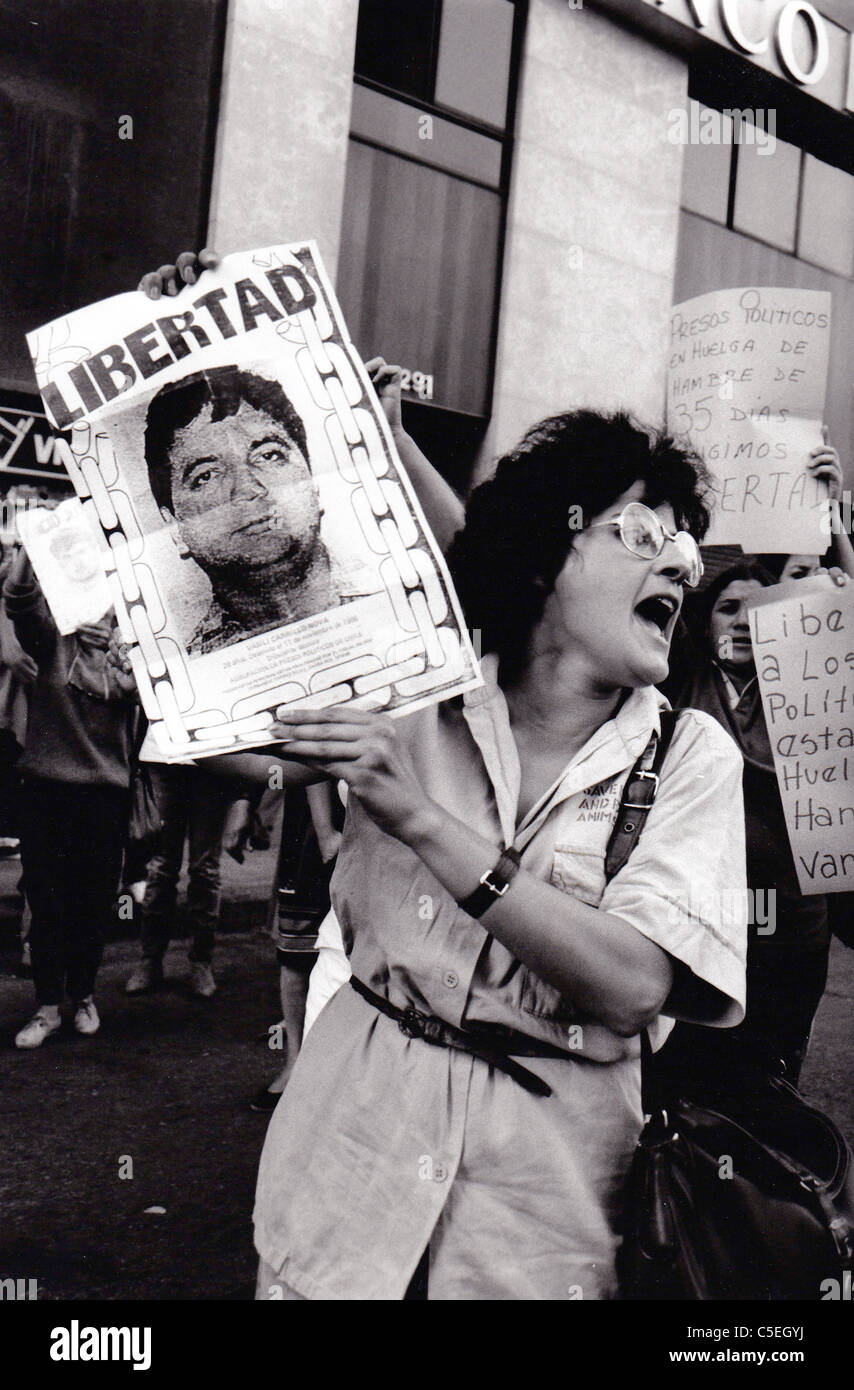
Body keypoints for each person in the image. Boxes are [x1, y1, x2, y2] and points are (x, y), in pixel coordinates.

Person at [194, 405, 747, 1299]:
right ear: (541, 556)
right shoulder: (414, 689)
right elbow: (221, 738)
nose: (678, 563)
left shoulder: (693, 758)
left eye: (685, 546)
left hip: (534, 1235)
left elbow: (634, 985)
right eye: (642, 530)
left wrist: (423, 820)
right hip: (344, 1181)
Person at [5, 549, 137, 1048]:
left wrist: (119, 647)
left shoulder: (138, 641)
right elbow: (18, 600)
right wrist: (30, 547)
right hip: (45, 786)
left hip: (106, 791)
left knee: (93, 902)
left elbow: (151, 692)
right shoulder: (51, 634)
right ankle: (45, 1007)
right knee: (44, 899)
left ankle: (82, 995)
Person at [144, 366, 342, 653]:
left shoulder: (403, 592)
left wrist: (395, 439)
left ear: (314, 482)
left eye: (269, 455)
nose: (247, 489)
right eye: (207, 475)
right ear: (175, 528)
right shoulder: (183, 676)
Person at [124, 762, 233, 999]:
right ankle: (150, 959)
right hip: (162, 760)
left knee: (205, 869)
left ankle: (201, 961)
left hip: (213, 761)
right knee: (162, 866)